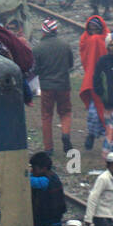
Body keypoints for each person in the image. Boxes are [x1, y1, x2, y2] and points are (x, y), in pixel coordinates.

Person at [33, 20, 75, 155]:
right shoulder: (65, 45)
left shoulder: (38, 48)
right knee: (65, 112)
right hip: (63, 85)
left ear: (44, 31)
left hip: (46, 87)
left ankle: (48, 148)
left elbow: (35, 69)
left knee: (46, 116)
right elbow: (70, 65)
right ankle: (65, 134)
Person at [79, 15, 111, 150]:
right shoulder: (95, 39)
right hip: (98, 80)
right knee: (98, 112)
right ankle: (94, 135)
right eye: (90, 29)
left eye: (95, 29)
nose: (93, 32)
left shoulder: (92, 39)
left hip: (94, 79)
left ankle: (95, 136)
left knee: (96, 112)